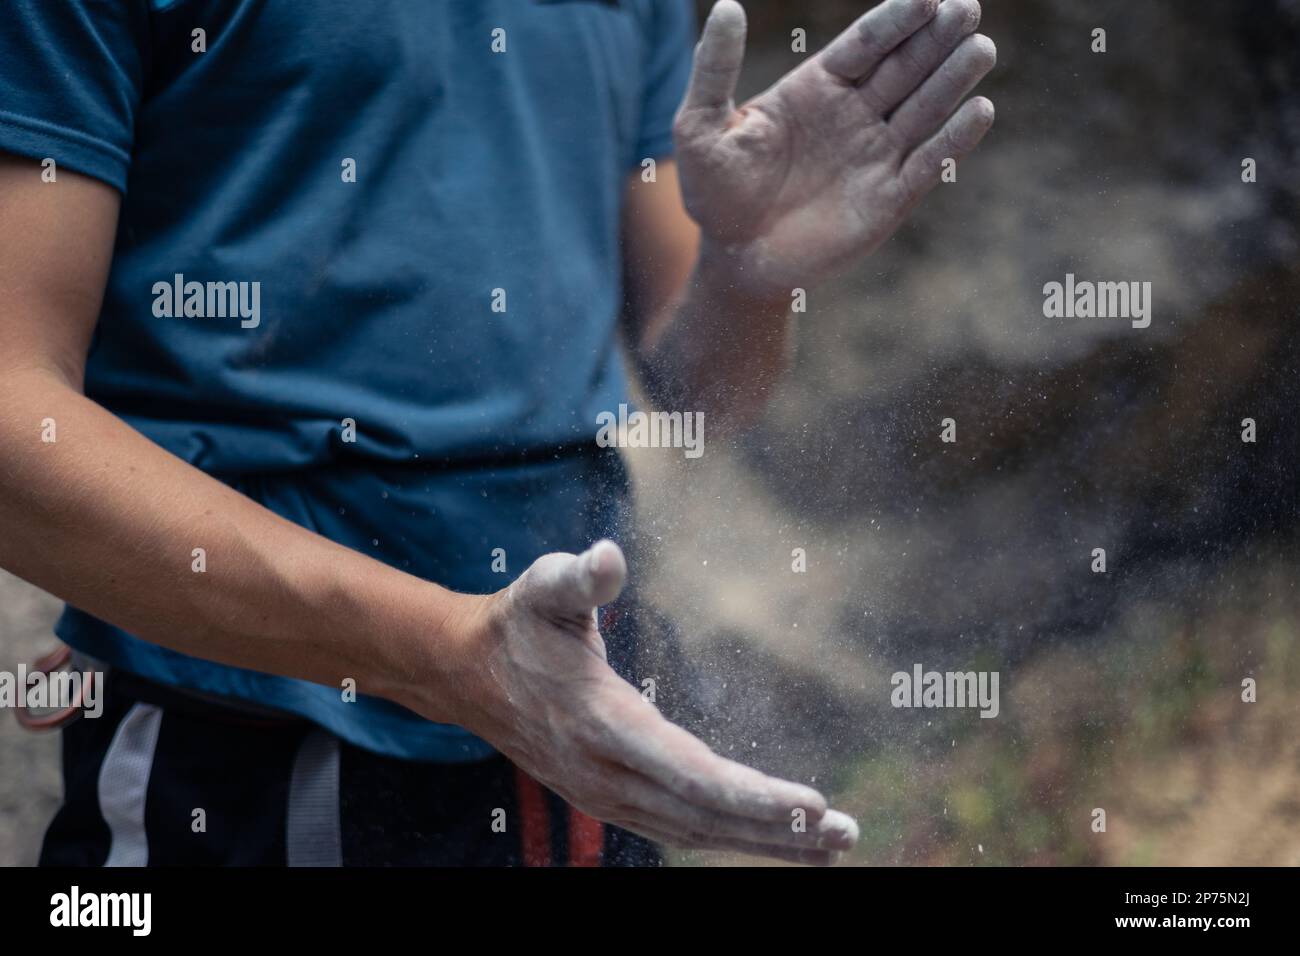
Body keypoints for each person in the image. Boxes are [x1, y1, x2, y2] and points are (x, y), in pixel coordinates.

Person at [0, 0, 995, 866]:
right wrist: (451, 655)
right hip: (269, 730)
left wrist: (746, 269)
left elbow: (697, 388)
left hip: (577, 706)